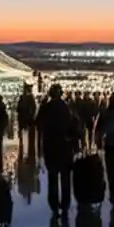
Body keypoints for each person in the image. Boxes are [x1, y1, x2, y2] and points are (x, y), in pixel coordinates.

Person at [37, 84, 76, 216]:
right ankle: (65, 204)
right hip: (65, 147)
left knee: (52, 178)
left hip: (50, 147)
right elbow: (74, 126)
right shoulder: (66, 108)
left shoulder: (46, 108)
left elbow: (37, 123)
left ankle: (54, 205)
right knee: (65, 178)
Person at [16, 83, 38, 150]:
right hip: (28, 118)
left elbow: (18, 108)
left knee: (22, 132)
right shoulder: (30, 97)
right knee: (29, 133)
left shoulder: (23, 97)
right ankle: (28, 145)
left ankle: (22, 144)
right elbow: (34, 107)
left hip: (23, 118)